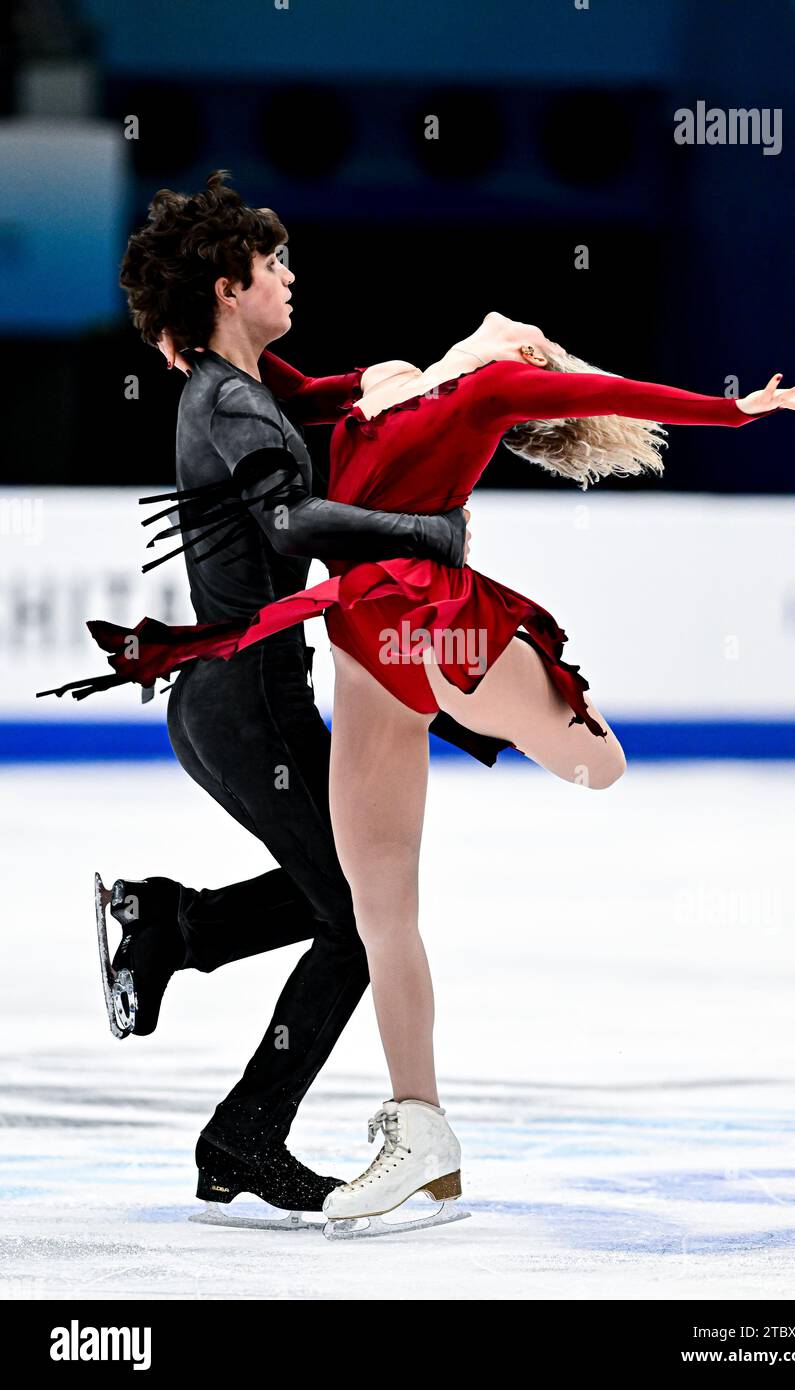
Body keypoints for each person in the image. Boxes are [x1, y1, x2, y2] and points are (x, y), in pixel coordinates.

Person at [45, 293, 795, 1237]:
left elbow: (623, 390)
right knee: (378, 916)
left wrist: (732, 409)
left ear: (528, 364)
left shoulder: (488, 387)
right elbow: (269, 377)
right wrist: (183, 331)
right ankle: (422, 1134)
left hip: (428, 625)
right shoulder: (384, 383)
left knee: (597, 768)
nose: (507, 319)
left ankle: (518, 713)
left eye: (529, 336)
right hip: (364, 651)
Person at [47, 171, 471, 1225]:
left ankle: (171, 927)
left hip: (245, 698)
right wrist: (425, 536)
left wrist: (415, 384)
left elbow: (312, 406)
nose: (290, 274)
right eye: (274, 262)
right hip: (249, 706)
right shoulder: (224, 398)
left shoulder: (238, 390)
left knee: (353, 901)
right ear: (230, 285)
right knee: (359, 920)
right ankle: (243, 1125)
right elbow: (289, 525)